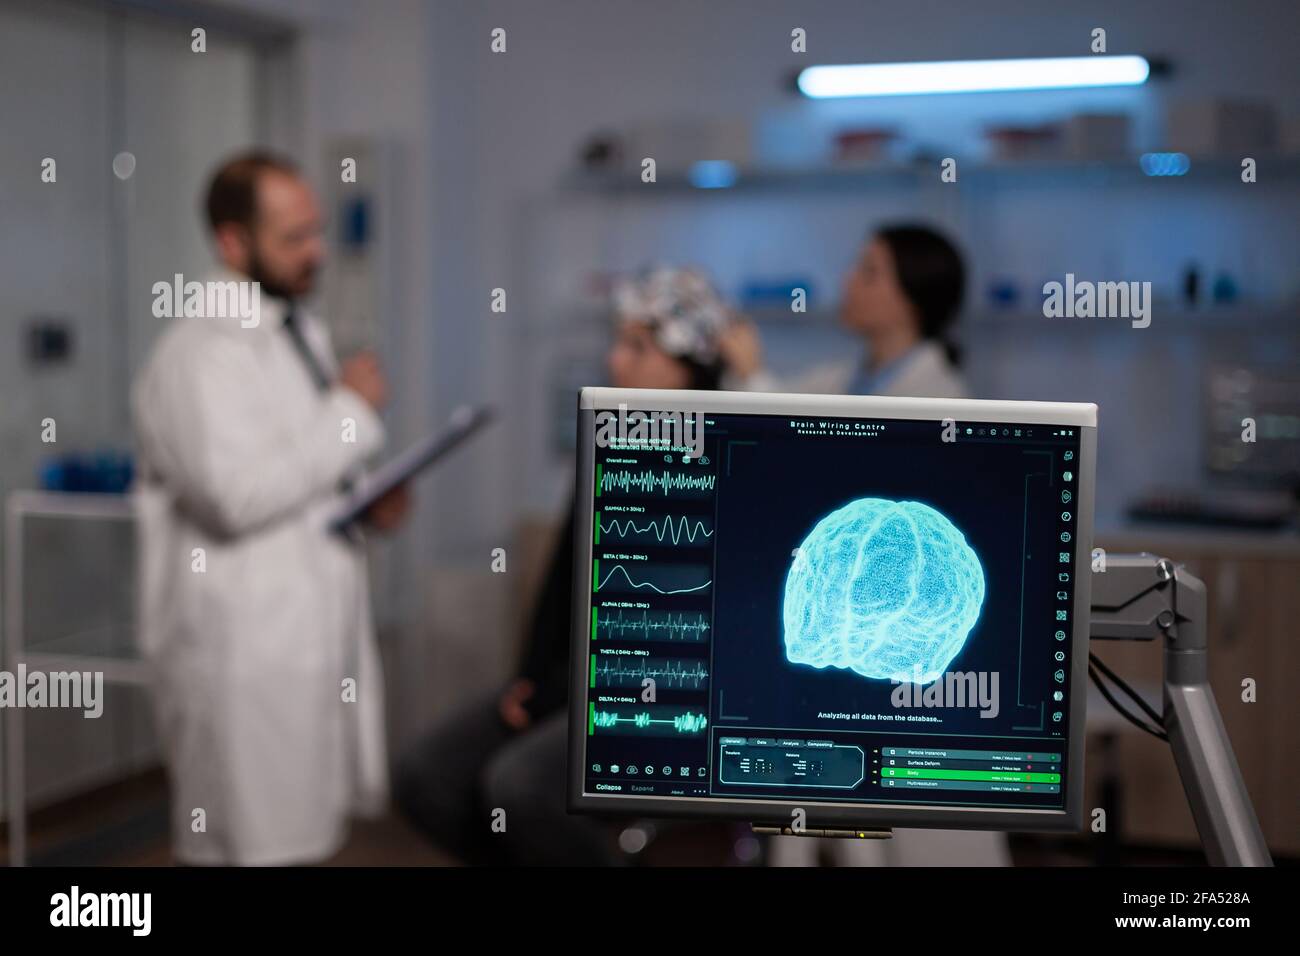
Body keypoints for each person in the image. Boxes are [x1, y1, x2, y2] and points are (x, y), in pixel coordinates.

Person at [394, 267, 731, 866]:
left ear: (689, 367)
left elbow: (666, 630)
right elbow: (565, 581)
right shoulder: (611, 436)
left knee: (519, 786)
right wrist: (530, 678)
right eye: (618, 341)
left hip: (655, 697)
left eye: (638, 347)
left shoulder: (720, 460)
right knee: (425, 773)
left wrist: (561, 694)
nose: (614, 360)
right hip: (567, 683)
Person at [132, 152, 409, 865]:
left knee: (303, 837)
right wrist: (351, 410)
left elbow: (300, 467)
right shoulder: (198, 354)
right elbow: (237, 498)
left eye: (315, 231)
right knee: (246, 843)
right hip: (242, 654)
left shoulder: (293, 333)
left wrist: (364, 497)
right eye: (293, 237)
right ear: (232, 242)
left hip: (307, 636)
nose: (316, 251)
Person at [721, 223, 969, 399]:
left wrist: (752, 374)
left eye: (869, 272)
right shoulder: (846, 379)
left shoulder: (939, 397)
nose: (848, 281)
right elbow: (782, 404)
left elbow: (795, 442)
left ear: (914, 297)